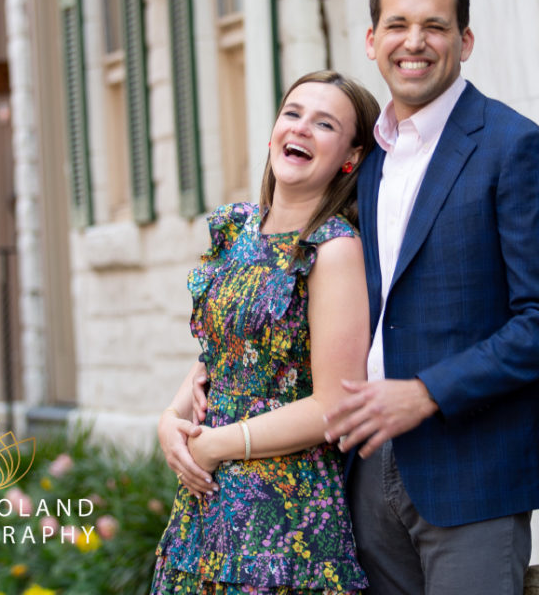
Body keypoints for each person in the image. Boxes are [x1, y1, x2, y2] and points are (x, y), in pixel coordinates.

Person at [321, 0, 539, 595]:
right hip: (366, 468)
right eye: (397, 25)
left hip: (474, 471)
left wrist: (427, 392)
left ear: (464, 41)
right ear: (372, 40)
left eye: (434, 26)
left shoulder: (515, 147)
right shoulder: (370, 160)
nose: (414, 42)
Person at [150, 70, 380, 595]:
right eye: (292, 114)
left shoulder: (333, 249)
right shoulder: (237, 229)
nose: (300, 128)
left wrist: (219, 445)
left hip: (282, 519)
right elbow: (219, 356)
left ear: (350, 157)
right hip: (204, 508)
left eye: (325, 124)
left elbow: (334, 404)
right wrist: (171, 419)